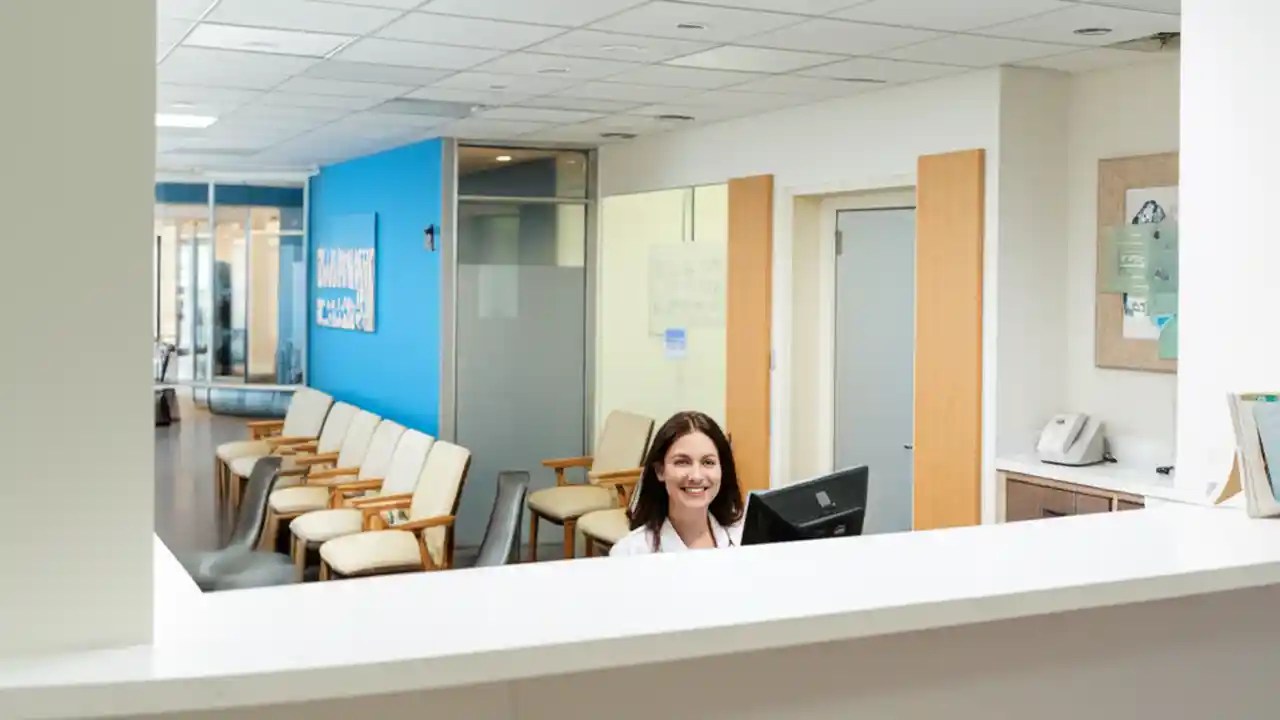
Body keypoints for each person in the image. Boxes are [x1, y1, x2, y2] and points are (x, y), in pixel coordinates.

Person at [610, 411, 744, 556]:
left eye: (708, 462)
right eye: (682, 462)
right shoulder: (629, 552)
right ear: (660, 470)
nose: (696, 476)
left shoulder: (744, 538)